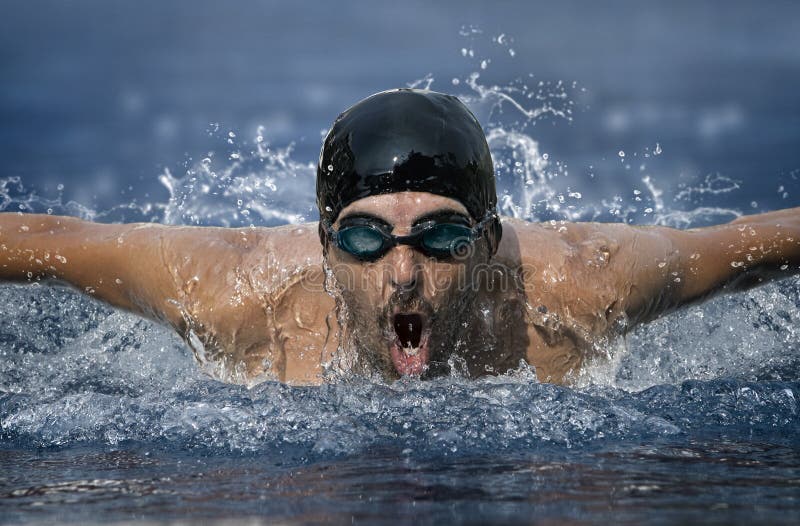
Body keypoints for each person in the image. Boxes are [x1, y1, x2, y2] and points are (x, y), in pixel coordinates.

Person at [1, 89, 798, 386]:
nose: (404, 273)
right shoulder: (233, 295)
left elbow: (750, 243)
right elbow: (50, 240)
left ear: (487, 244)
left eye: (442, 236)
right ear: (322, 244)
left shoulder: (582, 286)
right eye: (364, 241)